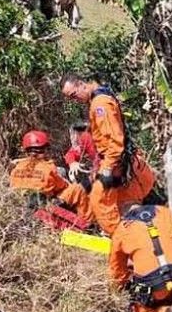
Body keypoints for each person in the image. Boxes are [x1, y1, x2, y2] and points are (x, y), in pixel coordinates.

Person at [61, 76, 156, 235]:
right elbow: (75, 152)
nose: (74, 100)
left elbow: (115, 140)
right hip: (118, 165)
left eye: (73, 95)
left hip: (117, 165)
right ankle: (113, 232)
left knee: (100, 200)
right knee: (96, 198)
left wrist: (106, 170)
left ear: (81, 85)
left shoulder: (100, 104)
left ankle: (121, 239)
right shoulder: (96, 103)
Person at [9, 130, 93, 228]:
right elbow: (62, 186)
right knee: (77, 189)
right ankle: (88, 223)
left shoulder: (17, 167)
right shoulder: (48, 168)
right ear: (45, 149)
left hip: (25, 203)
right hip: (45, 203)